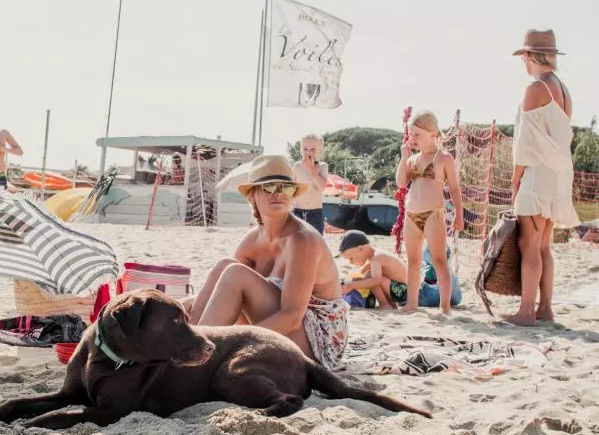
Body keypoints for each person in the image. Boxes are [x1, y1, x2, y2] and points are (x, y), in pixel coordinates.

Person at [184, 155, 349, 371]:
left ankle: (198, 359)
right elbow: (220, 292)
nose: (279, 193)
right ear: (252, 195)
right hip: (275, 328)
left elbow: (291, 317)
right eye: (269, 186)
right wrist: (175, 304)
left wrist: (233, 344)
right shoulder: (252, 240)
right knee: (224, 267)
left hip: (317, 340)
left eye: (287, 188)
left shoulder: (303, 240)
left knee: (235, 273)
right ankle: (191, 348)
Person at [507, 30, 580, 326]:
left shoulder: (535, 88)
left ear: (529, 55)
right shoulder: (562, 88)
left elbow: (524, 143)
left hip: (537, 175)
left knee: (529, 244)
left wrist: (515, 179)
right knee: (544, 245)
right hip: (557, 174)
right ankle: (545, 308)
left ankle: (526, 312)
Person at [395, 111, 464, 314]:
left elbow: (454, 189)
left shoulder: (443, 158)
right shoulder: (412, 159)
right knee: (413, 261)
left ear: (433, 133)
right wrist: (403, 156)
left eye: (417, 135)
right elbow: (401, 182)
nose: (412, 139)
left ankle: (445, 306)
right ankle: (412, 303)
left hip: (434, 213)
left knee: (439, 260)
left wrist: (459, 215)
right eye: (410, 134)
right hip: (411, 215)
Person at [337, 230, 461, 310]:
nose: (351, 262)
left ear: (360, 249)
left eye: (351, 258)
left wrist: (353, 285)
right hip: (407, 292)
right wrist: (349, 282)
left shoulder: (376, 258)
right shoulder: (374, 258)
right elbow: (360, 274)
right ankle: (390, 304)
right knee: (366, 277)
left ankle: (385, 305)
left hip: (411, 294)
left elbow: (375, 280)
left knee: (371, 277)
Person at [292, 134, 329, 235]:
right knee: (297, 239)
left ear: (320, 152)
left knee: (316, 239)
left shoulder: (322, 167)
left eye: (313, 150)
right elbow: (292, 187)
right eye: (305, 149)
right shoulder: (297, 166)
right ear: (300, 150)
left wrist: (313, 172)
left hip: (315, 212)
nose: (308, 152)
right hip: (297, 210)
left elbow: (321, 188)